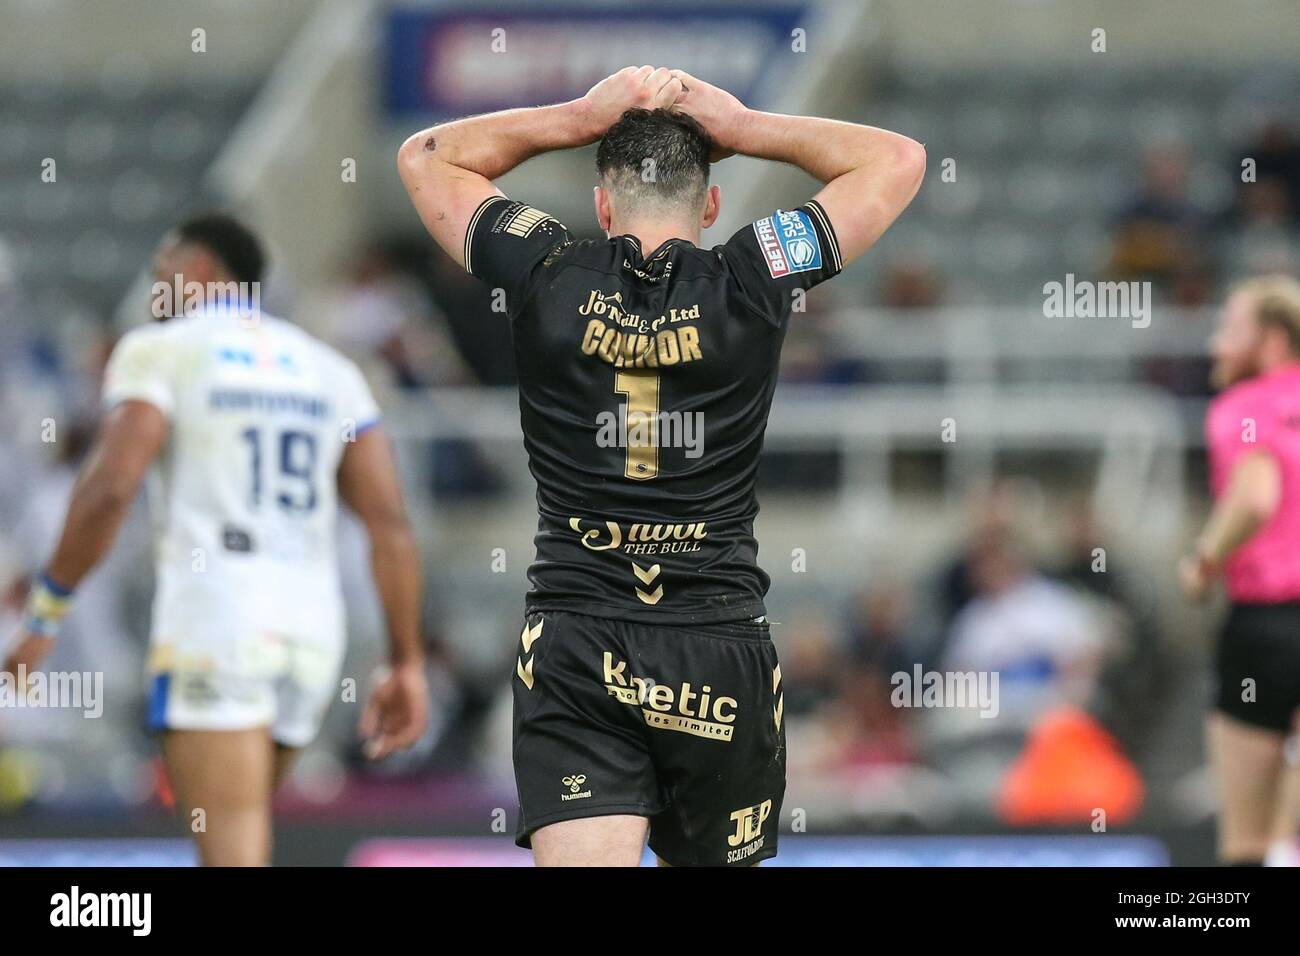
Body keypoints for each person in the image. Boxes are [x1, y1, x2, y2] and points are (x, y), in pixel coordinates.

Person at [398, 65, 924, 865]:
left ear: (602, 203)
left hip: (578, 637)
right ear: (711, 205)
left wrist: (577, 116)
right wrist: (746, 127)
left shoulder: (547, 272)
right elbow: (897, 160)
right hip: (715, 639)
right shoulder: (756, 274)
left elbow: (427, 158)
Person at [2, 214, 428, 865]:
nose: (155, 289)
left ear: (199, 269)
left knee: (230, 854)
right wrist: (405, 663)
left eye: (162, 272)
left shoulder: (159, 350)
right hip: (309, 639)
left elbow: (110, 487)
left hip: (217, 625)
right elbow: (390, 526)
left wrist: (46, 611)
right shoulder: (329, 368)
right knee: (240, 836)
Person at [1180, 275, 1300, 865]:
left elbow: (1256, 496)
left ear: (1273, 341)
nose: (1215, 346)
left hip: (1267, 628)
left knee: (1247, 842)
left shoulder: (1244, 407)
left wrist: (1203, 561)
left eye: (1230, 329)